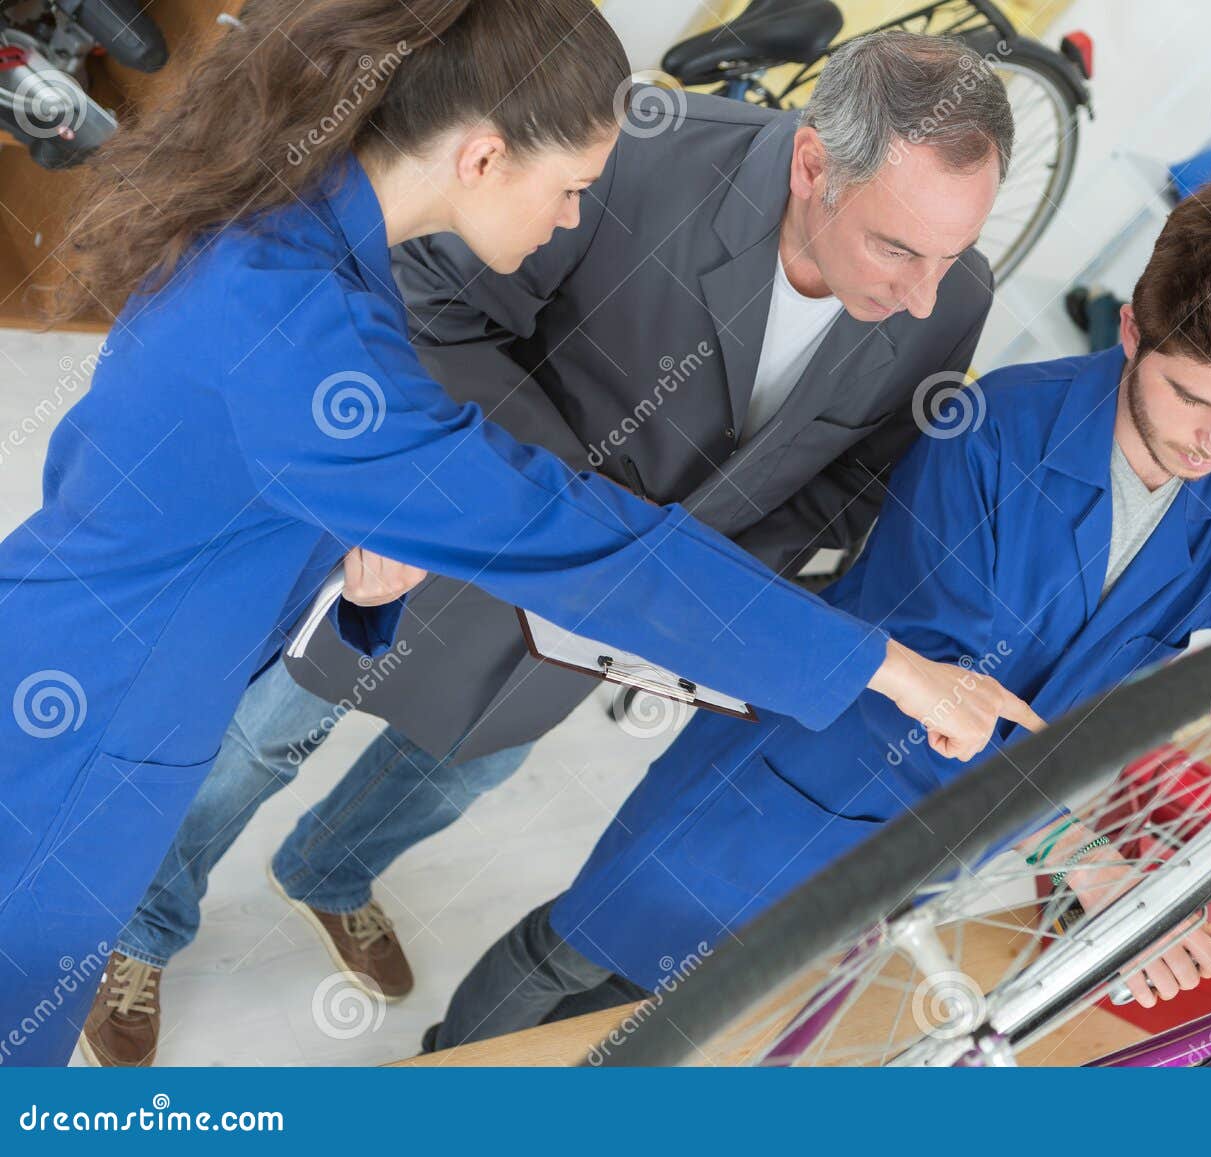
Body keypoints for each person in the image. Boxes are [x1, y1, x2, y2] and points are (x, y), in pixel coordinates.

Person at [0, 0, 1038, 1068]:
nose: (575, 215)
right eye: (573, 188)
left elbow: (209, 483)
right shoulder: (308, 341)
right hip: (78, 754)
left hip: (89, 676)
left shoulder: (305, 240)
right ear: (485, 156)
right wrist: (887, 666)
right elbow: (565, 529)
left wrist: (358, 577)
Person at [423, 186, 1211, 1051]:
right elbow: (954, 701)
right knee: (584, 964)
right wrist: (1096, 872)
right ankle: (429, 1075)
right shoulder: (997, 434)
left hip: (945, 872)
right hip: (802, 795)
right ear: (1130, 331)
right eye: (1193, 398)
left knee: (701, 1048)